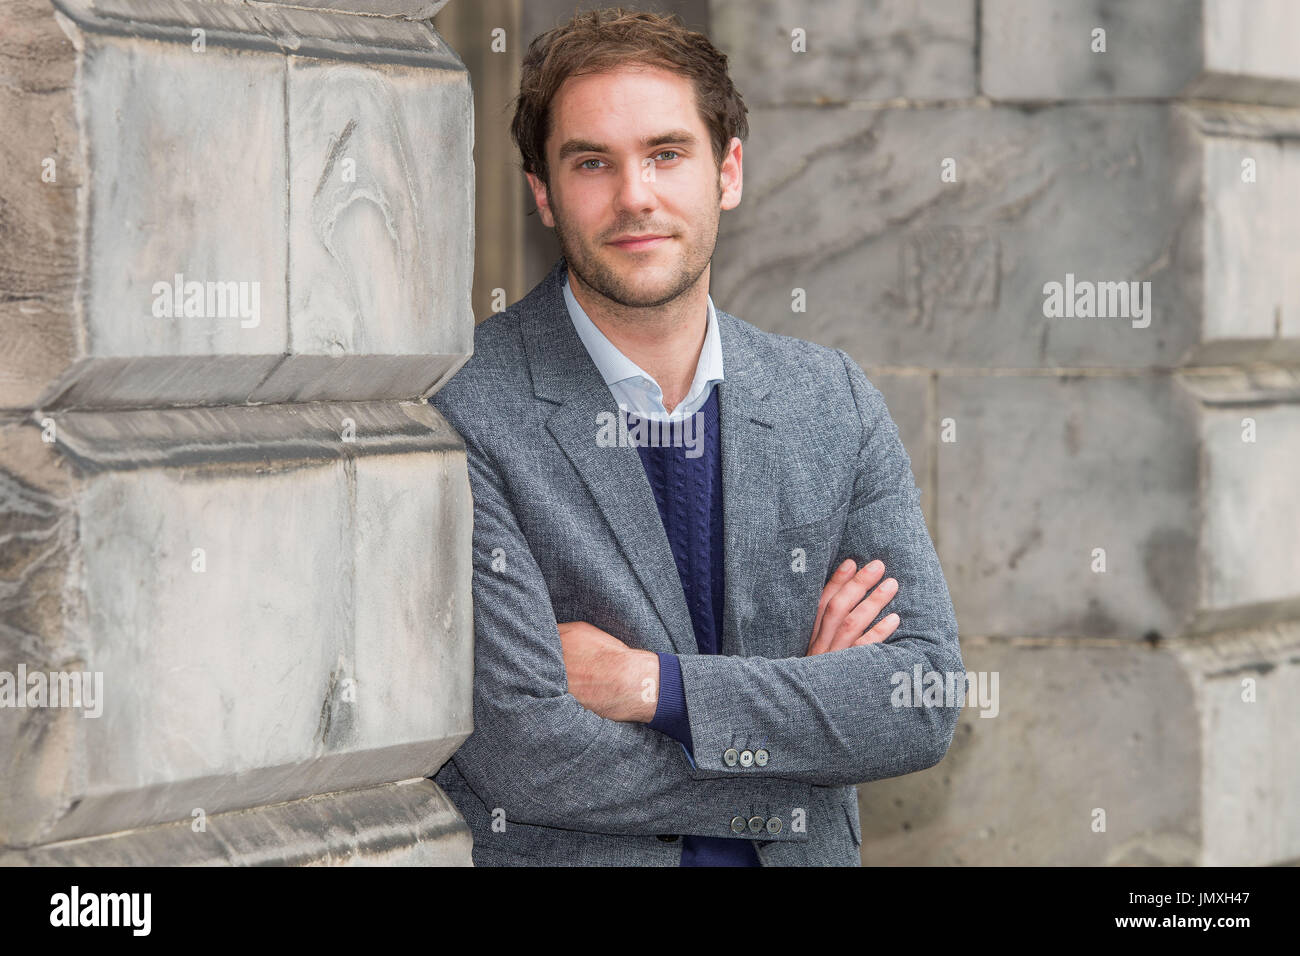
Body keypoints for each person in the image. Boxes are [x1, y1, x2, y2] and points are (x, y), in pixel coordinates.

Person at [429, 7, 963, 866]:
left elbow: (921, 697)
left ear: (729, 171)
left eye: (666, 154)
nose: (634, 194)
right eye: (592, 162)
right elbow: (529, 759)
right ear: (542, 194)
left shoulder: (831, 402)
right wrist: (811, 737)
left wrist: (653, 687)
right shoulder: (465, 410)